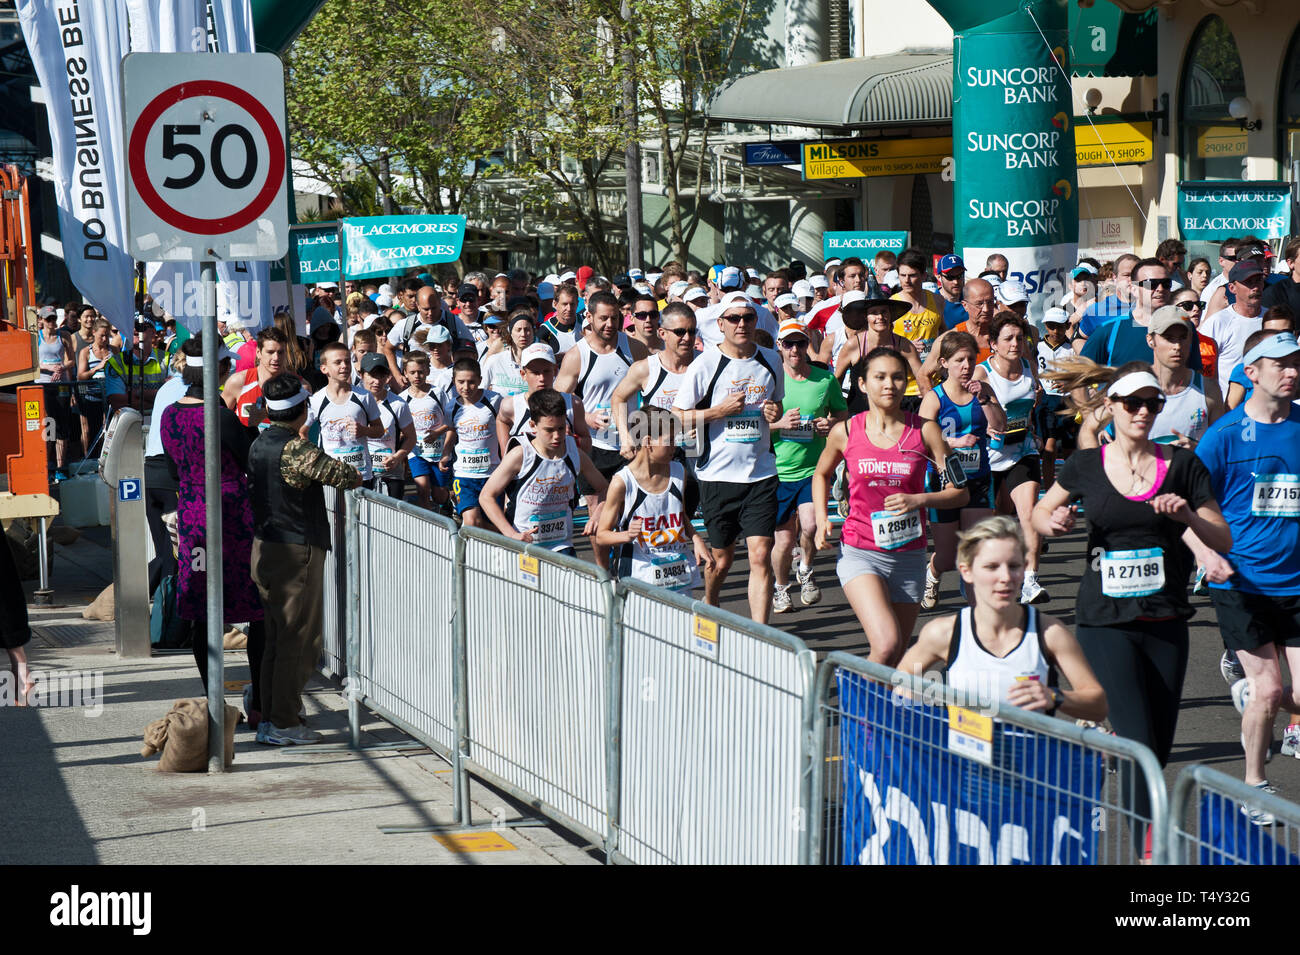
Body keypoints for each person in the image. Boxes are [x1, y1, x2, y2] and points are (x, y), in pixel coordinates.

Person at [1033, 362, 1230, 840]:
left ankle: (1147, 832)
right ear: (1112, 407)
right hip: (1104, 620)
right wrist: (1051, 523)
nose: (1144, 411)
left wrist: (1187, 514)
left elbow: (1221, 538)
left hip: (1166, 617)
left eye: (1153, 403)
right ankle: (1150, 843)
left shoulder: (1183, 466)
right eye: (1133, 403)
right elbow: (1041, 509)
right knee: (1138, 739)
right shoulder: (1085, 465)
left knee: (1159, 743)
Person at [1191, 331, 1300, 819]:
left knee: (1295, 696)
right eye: (1281, 363)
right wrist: (1202, 552)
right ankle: (1255, 785)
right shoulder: (1225, 435)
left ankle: (1246, 683)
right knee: (1271, 690)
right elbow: (1188, 504)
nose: (1292, 371)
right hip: (1241, 580)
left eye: (1297, 362)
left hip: (1295, 580)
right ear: (1250, 372)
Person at [813, 347, 966, 664]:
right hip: (860, 551)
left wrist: (919, 499)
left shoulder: (926, 431)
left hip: (908, 556)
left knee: (896, 654)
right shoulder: (846, 432)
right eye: (879, 377)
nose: (889, 385)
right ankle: (852, 706)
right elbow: (821, 473)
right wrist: (820, 518)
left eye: (897, 377)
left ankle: (874, 711)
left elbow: (960, 492)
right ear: (863, 384)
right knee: (886, 644)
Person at [249, 374, 363, 745]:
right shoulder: (296, 450)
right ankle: (283, 721)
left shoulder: (260, 442)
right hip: (296, 551)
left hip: (265, 546)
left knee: (275, 639)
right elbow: (347, 475)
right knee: (298, 640)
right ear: (302, 411)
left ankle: (271, 715)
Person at [900, 516, 1106, 720]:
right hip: (966, 751)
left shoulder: (1049, 633)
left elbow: (1097, 705)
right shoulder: (944, 633)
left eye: (1014, 566)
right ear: (967, 571)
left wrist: (1055, 696)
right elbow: (899, 681)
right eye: (991, 567)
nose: (1005, 577)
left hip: (1029, 750)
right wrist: (927, 722)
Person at [159, 336, 267, 721]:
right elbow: (250, 459)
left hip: (192, 517)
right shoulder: (218, 415)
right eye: (227, 366)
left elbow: (172, 469)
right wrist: (252, 426)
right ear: (218, 370)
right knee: (256, 610)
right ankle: (261, 702)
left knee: (203, 611)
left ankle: (215, 700)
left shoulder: (169, 414)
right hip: (231, 517)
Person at [672, 293, 784, 623]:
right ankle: (711, 600)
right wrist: (719, 411)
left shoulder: (770, 359)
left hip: (760, 473)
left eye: (748, 318)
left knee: (761, 554)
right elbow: (677, 415)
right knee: (722, 559)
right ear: (720, 324)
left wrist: (773, 411)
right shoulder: (705, 364)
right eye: (734, 319)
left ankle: (761, 635)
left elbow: (774, 408)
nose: (742, 325)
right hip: (717, 475)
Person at [556, 291, 646, 567]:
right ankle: (604, 573)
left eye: (614, 318)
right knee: (598, 514)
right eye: (603, 318)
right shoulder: (577, 355)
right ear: (590, 318)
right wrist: (586, 417)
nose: (609, 324)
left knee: (631, 512)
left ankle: (630, 569)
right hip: (595, 447)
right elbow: (557, 401)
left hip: (630, 444)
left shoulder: (634, 348)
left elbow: (654, 387)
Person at [919, 331, 1004, 610]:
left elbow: (1000, 425)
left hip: (978, 479)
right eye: (959, 360)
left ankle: (976, 612)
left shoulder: (983, 389)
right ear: (944, 363)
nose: (966, 366)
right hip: (944, 483)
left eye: (970, 359)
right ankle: (933, 573)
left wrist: (985, 401)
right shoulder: (935, 398)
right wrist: (952, 442)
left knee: (975, 550)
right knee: (947, 556)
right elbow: (919, 443)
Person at [770, 319, 848, 613]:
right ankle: (780, 587)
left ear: (808, 346)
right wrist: (779, 424)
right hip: (778, 471)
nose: (794, 350)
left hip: (812, 471)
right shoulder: (771, 379)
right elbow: (759, 427)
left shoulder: (824, 379)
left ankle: (805, 568)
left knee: (812, 525)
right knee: (784, 539)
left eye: (800, 343)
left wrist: (831, 424)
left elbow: (842, 414)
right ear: (779, 347)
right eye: (788, 344)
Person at [597, 407, 713, 595]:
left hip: (677, 574)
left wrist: (696, 538)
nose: (676, 445)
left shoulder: (678, 471)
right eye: (670, 440)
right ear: (648, 442)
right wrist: (626, 536)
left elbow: (680, 514)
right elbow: (602, 535)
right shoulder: (622, 482)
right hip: (639, 579)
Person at [974, 312, 1048, 604]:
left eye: (1019, 337)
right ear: (993, 343)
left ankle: (1030, 582)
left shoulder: (1029, 366)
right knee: (995, 524)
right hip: (990, 455)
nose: (1016, 343)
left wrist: (1033, 427)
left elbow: (1031, 405)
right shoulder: (982, 373)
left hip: (1022, 450)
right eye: (1008, 339)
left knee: (1030, 513)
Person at [479, 388, 606, 555]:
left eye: (561, 429)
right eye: (549, 430)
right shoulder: (520, 454)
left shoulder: (574, 453)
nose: (557, 436)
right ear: (533, 426)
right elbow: (486, 496)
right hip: (524, 544)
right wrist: (511, 534)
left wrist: (597, 515)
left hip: (562, 545)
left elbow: (605, 488)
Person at [612, 302, 697, 461]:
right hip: (660, 459)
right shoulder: (646, 369)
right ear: (662, 333)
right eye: (679, 332)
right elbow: (618, 398)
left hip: (698, 456)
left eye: (692, 332)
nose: (687, 338)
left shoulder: (706, 363)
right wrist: (625, 437)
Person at [303, 341, 385, 481]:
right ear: (324, 369)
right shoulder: (316, 400)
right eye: (338, 362)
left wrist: (364, 431)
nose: (344, 366)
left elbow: (379, 430)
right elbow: (302, 431)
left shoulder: (364, 396)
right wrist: (315, 459)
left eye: (347, 361)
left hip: (361, 475)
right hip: (331, 475)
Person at [831, 291, 924, 413]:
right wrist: (836, 412)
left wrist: (927, 405)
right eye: (874, 313)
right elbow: (836, 380)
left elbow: (922, 377)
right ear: (866, 316)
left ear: (890, 315)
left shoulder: (904, 345)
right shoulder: (853, 345)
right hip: (858, 413)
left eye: (884, 312)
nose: (880, 317)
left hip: (894, 413)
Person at [439, 357, 503, 527]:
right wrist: (445, 452)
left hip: (492, 474)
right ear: (454, 381)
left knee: (493, 524)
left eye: (471, 382)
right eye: (461, 382)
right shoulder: (451, 407)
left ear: (480, 380)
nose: (466, 387)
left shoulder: (495, 401)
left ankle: (509, 540)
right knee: (471, 523)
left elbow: (505, 428)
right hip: (464, 474)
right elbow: (452, 430)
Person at [497, 342, 590, 454]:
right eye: (535, 373)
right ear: (523, 374)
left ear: (555, 371)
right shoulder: (511, 405)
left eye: (546, 371)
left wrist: (572, 439)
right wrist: (505, 453)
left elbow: (587, 444)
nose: (541, 378)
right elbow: (502, 421)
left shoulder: (573, 403)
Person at [357, 353, 415, 498]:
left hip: (390, 474)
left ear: (388, 377)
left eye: (381, 375)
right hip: (361, 473)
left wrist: (397, 458)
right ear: (361, 374)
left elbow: (411, 438)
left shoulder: (398, 404)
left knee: (390, 519)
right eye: (372, 375)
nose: (377, 381)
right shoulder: (354, 402)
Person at [399, 352, 452, 510]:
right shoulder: (402, 399)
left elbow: (450, 422)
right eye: (413, 372)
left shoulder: (437, 393)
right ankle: (429, 525)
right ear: (405, 374)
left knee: (439, 494)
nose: (417, 376)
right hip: (416, 452)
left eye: (421, 372)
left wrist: (437, 433)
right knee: (422, 490)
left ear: (428, 371)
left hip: (438, 451)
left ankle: (449, 500)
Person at [1034, 307, 1076, 488]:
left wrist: (1071, 384)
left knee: (1069, 448)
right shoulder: (1037, 347)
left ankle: (1072, 487)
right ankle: (1050, 487)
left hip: (1067, 400)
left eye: (1060, 327)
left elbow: (1080, 373)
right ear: (1045, 326)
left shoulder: (1072, 348)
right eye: (1051, 327)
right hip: (1046, 400)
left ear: (1067, 326)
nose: (1056, 331)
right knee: (1049, 448)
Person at [223, 327, 291, 435]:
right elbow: (221, 421)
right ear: (258, 353)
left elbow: (304, 431)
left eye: (280, 352)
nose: (276, 357)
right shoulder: (238, 382)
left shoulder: (299, 386)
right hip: (247, 450)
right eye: (270, 352)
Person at [1225, 306, 1295, 409]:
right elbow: (1229, 415)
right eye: (1271, 333)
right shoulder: (1244, 370)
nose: (1279, 338)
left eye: (1285, 332)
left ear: (1294, 333)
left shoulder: (1295, 371)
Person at [36, 307, 74, 479]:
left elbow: (71, 360)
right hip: (43, 384)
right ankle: (46, 465)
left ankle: (60, 467)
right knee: (47, 423)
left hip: (61, 385)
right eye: (48, 319)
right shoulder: (36, 337)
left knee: (62, 424)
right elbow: (33, 362)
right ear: (42, 320)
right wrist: (48, 367)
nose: (52, 322)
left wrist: (61, 368)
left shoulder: (63, 336)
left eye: (53, 319)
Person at [75, 318, 116, 458]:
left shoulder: (114, 350)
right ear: (94, 333)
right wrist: (97, 368)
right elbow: (80, 376)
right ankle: (91, 460)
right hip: (92, 397)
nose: (105, 339)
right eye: (101, 336)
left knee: (111, 429)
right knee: (94, 430)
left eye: (107, 335)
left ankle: (108, 459)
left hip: (111, 395)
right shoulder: (86, 352)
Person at [481, 310, 535, 398]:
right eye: (518, 330)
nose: (523, 334)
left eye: (527, 329)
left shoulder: (541, 361)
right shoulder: (494, 361)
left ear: (533, 332)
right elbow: (480, 391)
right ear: (510, 332)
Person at [1171, 286, 1216, 381]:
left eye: (1199, 305)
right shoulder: (1164, 342)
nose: (1196, 309)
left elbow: (1214, 380)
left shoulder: (1211, 343)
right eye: (1188, 305)